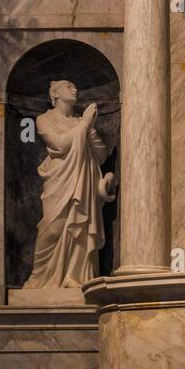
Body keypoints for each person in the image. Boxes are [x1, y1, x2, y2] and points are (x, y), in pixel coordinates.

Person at [25, 79, 116, 288]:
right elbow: (58, 144)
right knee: (53, 227)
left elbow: (101, 154)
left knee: (82, 227)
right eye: (69, 86)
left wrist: (87, 127)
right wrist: (84, 125)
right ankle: (38, 278)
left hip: (85, 179)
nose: (75, 89)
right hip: (59, 178)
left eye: (76, 86)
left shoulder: (80, 122)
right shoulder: (44, 119)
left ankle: (76, 277)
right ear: (55, 94)